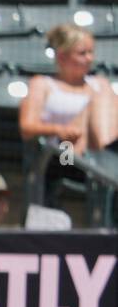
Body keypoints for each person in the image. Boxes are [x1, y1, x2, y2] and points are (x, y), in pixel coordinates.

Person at [18, 24, 118, 206]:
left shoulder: (99, 84)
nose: (90, 59)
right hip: (63, 155)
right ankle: (107, 164)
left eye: (91, 52)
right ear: (62, 56)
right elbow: (26, 127)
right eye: (82, 53)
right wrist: (59, 129)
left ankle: (105, 162)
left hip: (94, 152)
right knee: (97, 101)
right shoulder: (43, 84)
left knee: (102, 92)